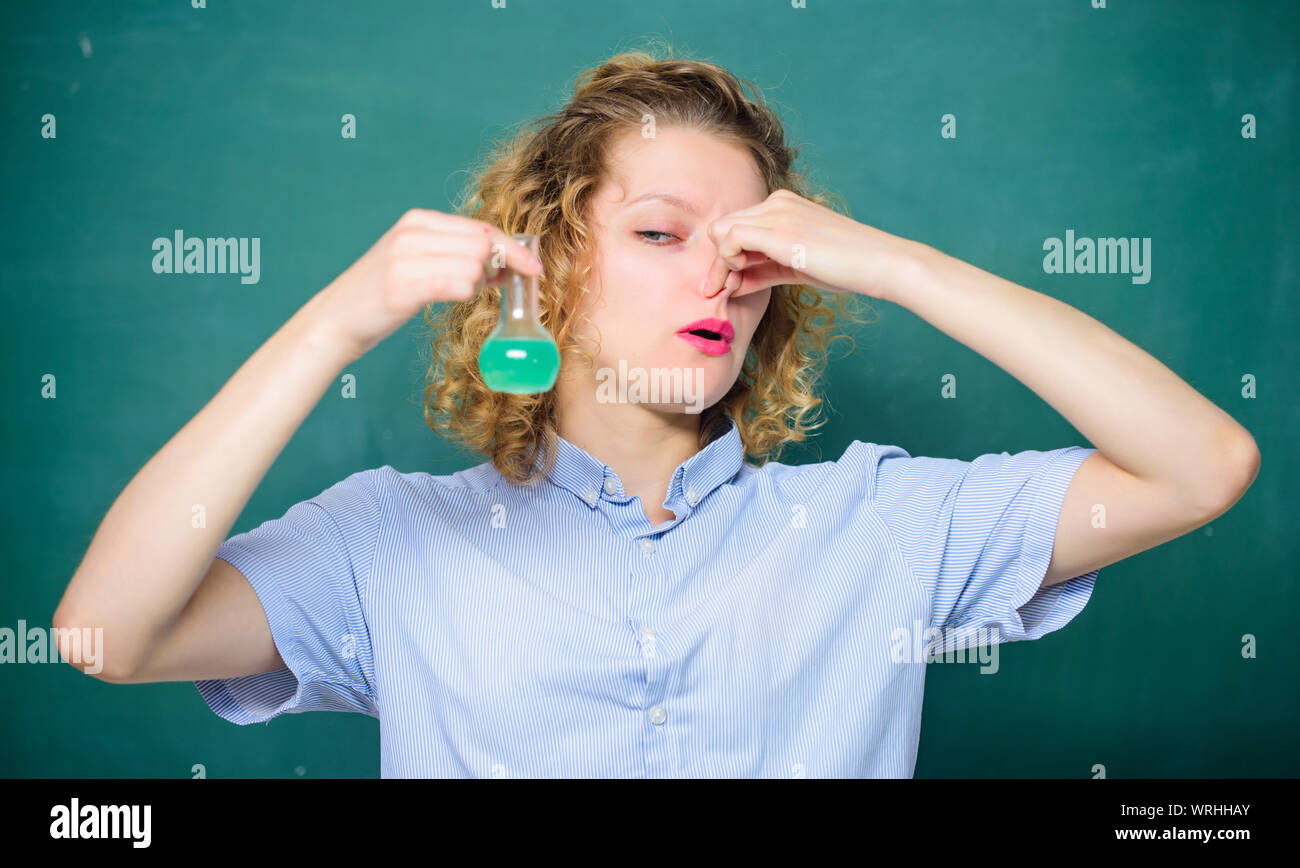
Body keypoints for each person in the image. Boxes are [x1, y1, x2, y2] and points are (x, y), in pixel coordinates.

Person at [53, 49, 1259, 778]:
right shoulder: (387, 541)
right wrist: (326, 324)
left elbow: (1200, 464)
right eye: (657, 233)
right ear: (548, 265)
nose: (714, 277)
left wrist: (895, 262)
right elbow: (103, 638)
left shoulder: (880, 520)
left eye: (749, 249)